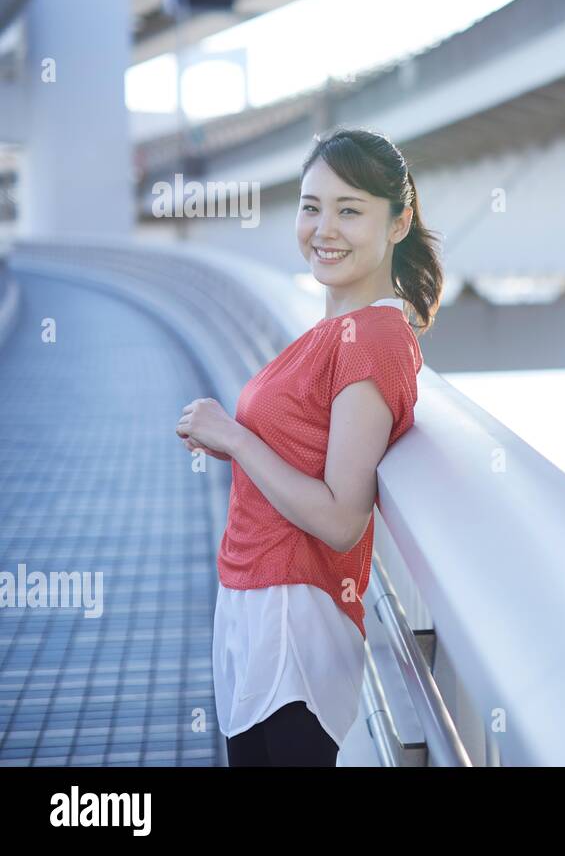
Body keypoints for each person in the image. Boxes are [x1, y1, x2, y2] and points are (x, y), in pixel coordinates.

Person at [175, 127, 443, 765]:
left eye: (350, 210)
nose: (324, 228)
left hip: (293, 617)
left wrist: (237, 438)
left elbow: (342, 519)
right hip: (257, 603)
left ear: (399, 224)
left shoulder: (373, 338)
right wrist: (245, 443)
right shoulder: (338, 330)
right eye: (311, 205)